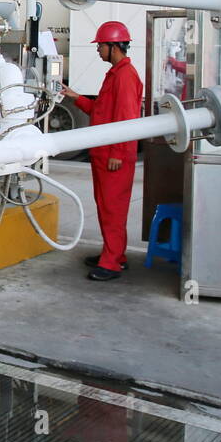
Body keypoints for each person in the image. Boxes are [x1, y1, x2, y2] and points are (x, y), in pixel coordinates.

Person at [61, 20, 144, 281]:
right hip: (105, 153)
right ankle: (114, 253)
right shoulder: (115, 74)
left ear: (114, 46)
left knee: (113, 209)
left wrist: (118, 153)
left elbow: (127, 118)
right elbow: (101, 111)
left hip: (113, 156)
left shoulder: (125, 77)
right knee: (106, 206)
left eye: (101, 46)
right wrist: (75, 97)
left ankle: (111, 263)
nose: (98, 51)